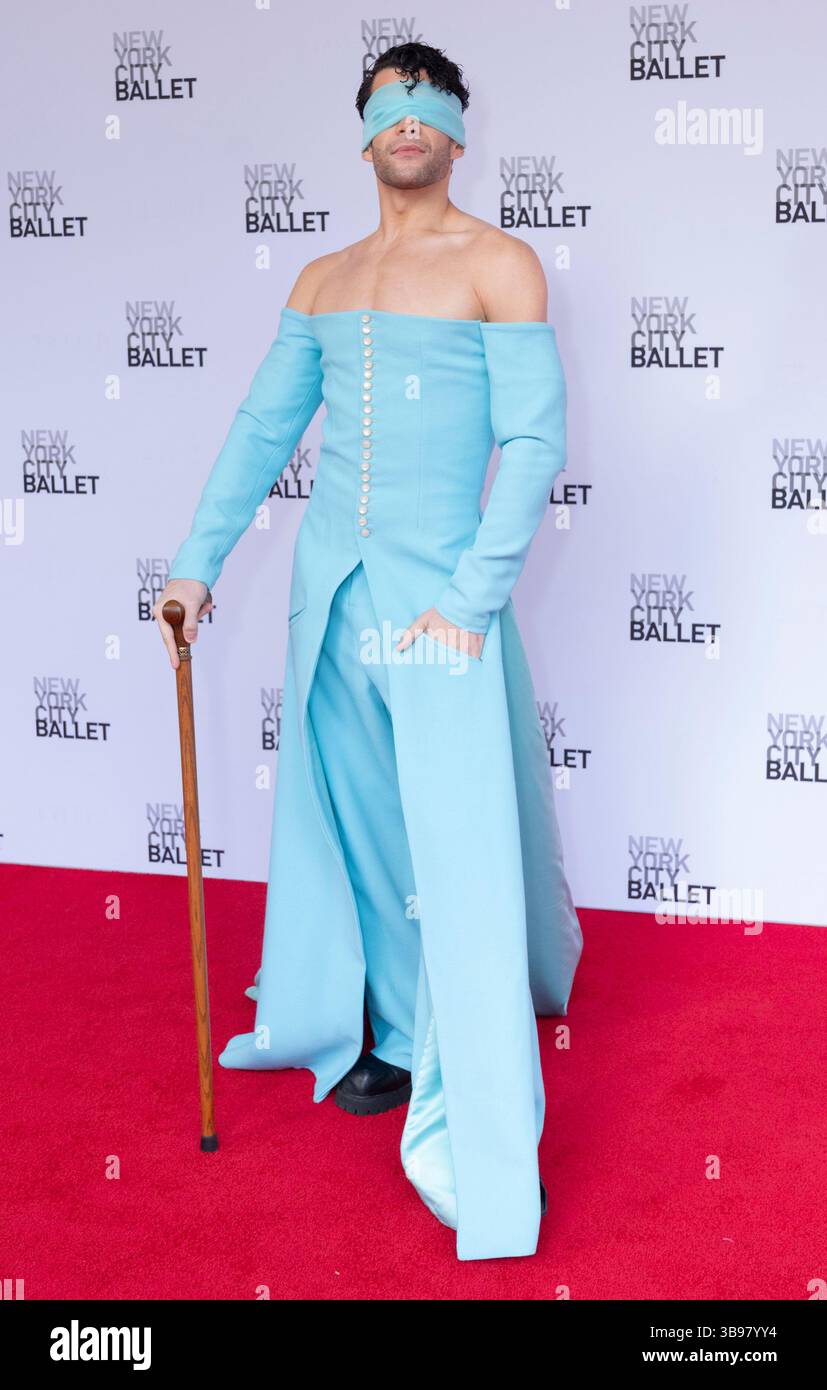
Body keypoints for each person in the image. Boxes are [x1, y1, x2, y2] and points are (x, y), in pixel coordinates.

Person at [153, 41, 582, 1262]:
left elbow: (533, 445)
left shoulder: (500, 264)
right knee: (364, 830)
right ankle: (393, 1032)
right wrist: (194, 563)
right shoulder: (322, 278)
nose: (409, 122)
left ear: (456, 132)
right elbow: (259, 430)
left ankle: (476, 1123)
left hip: (440, 605)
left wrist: (474, 597)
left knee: (454, 845)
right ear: (363, 133)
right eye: (389, 103)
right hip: (327, 601)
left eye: (429, 105)